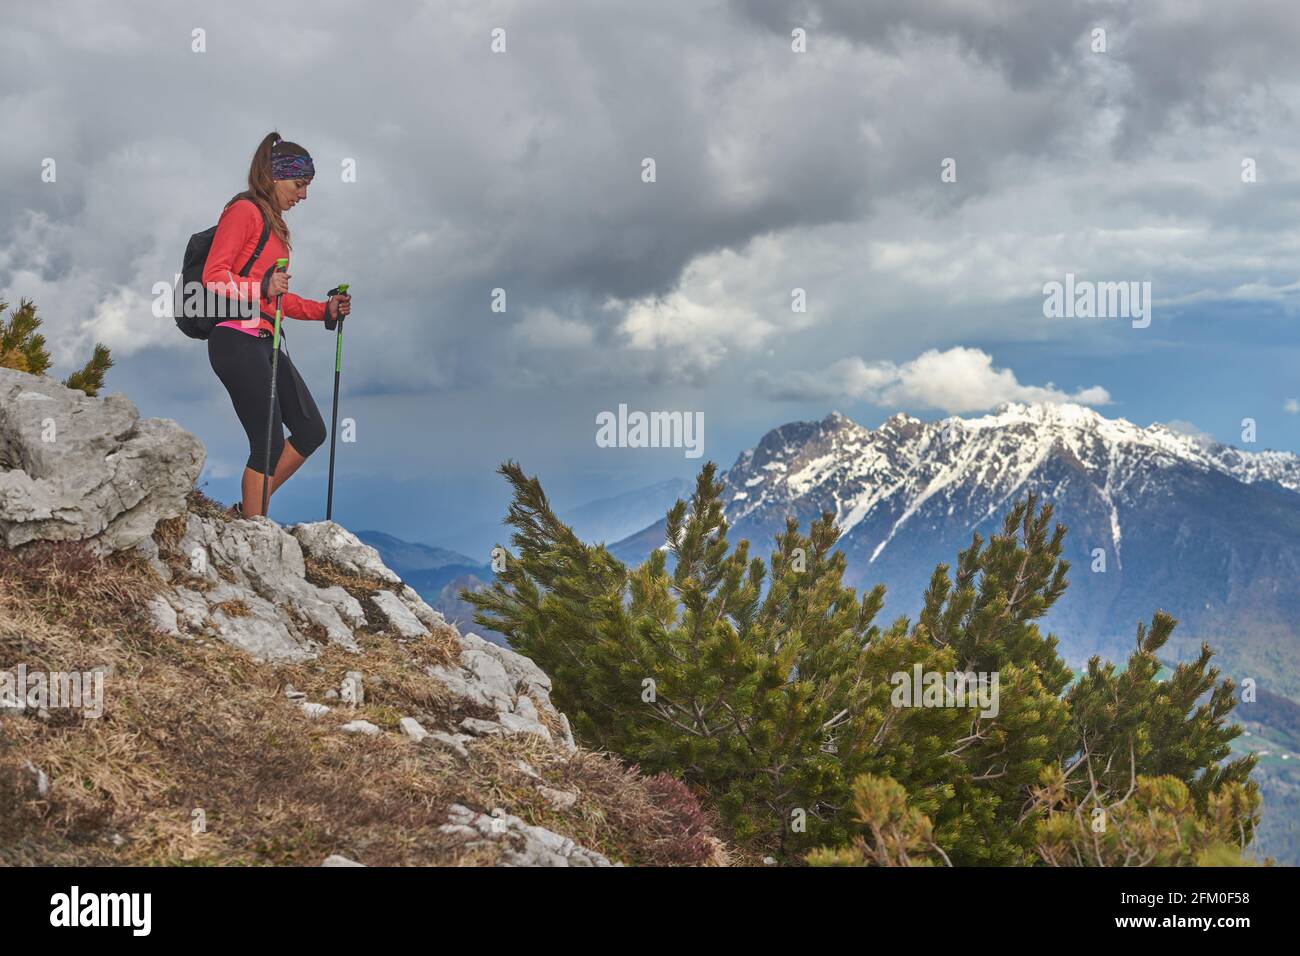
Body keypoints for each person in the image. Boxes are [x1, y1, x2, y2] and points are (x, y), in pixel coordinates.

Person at [203, 132, 352, 517]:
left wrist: (325, 310)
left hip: (265, 340)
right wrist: (261, 286)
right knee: (266, 445)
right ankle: (253, 528)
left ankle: (246, 513)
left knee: (311, 431)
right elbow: (213, 276)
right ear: (274, 177)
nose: (303, 195)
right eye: (299, 184)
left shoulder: (275, 227)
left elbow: (278, 299)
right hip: (234, 339)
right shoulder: (244, 212)